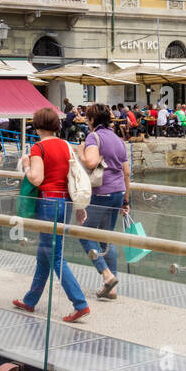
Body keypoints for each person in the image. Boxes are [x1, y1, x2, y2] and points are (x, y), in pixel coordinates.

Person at [13, 106, 90, 323]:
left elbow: (36, 179)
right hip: (64, 202)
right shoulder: (66, 145)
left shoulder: (38, 148)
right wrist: (79, 206)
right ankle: (30, 300)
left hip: (47, 202)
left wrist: (26, 166)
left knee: (54, 254)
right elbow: (71, 178)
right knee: (44, 253)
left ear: (37, 126)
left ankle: (80, 303)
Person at [78, 104, 130, 300]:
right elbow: (126, 172)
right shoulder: (118, 139)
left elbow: (90, 163)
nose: (86, 121)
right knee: (105, 239)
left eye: (87, 119)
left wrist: (81, 151)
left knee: (84, 234)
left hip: (101, 192)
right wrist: (126, 200)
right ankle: (112, 288)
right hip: (118, 192)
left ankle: (106, 275)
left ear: (92, 121)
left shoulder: (94, 137)